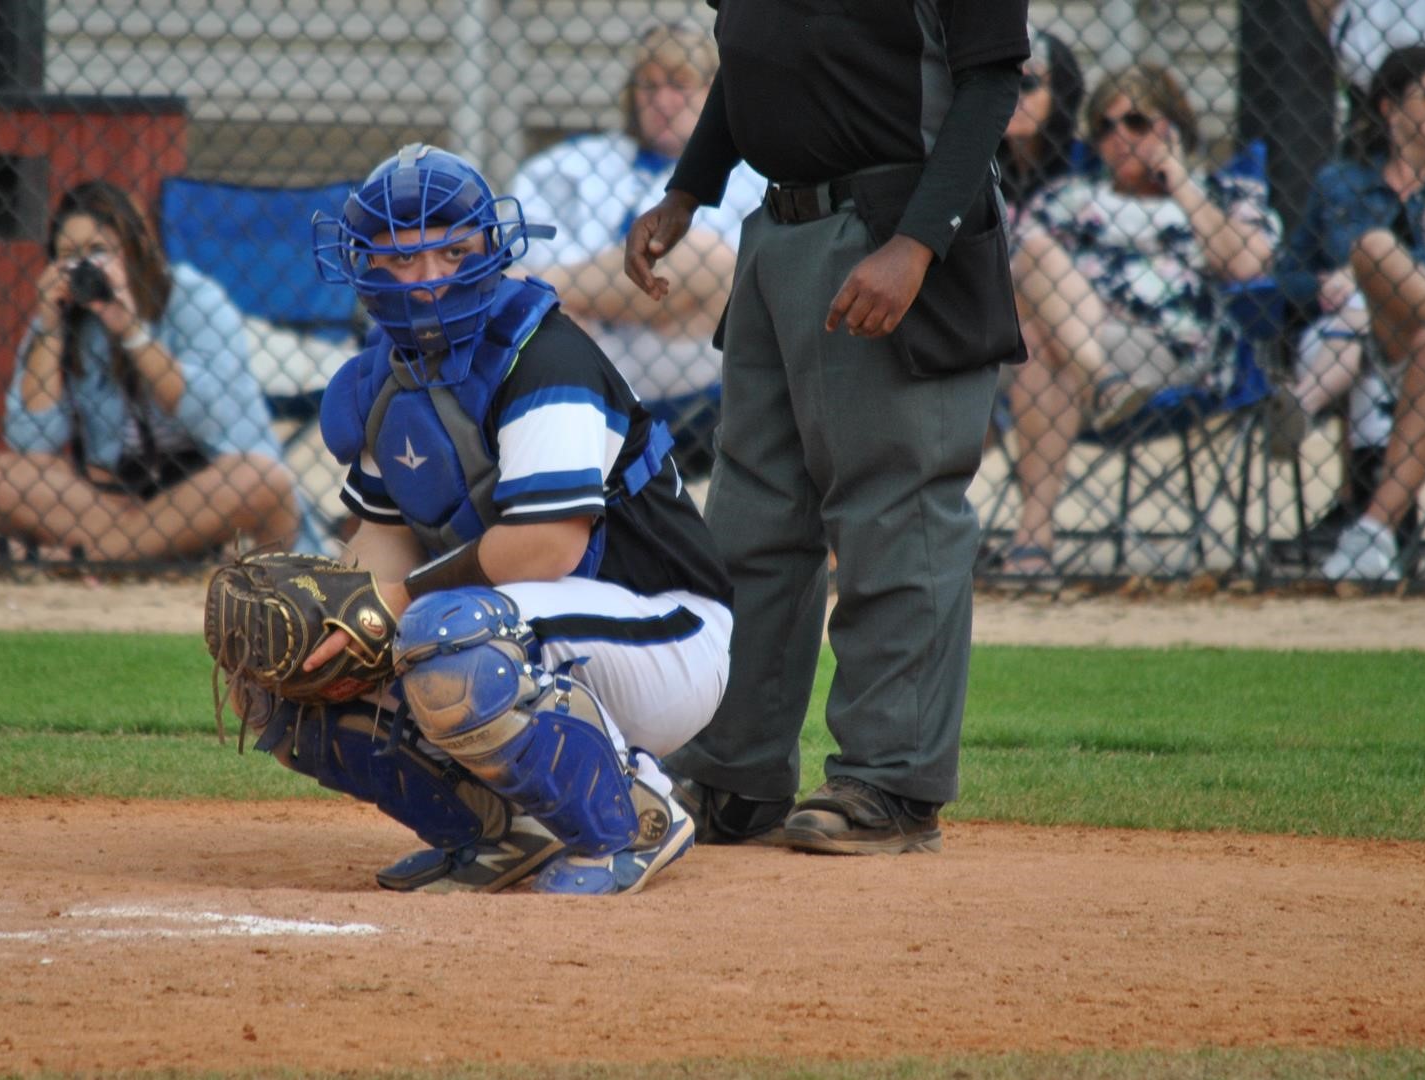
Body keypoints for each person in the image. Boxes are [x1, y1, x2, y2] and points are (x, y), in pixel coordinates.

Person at [254, 144, 732, 896]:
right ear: (364, 268)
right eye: (400, 260)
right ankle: (502, 832)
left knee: (449, 632)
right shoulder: (390, 375)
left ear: (490, 250)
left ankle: (634, 812)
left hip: (666, 635)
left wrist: (397, 604)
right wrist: (340, 623)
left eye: (450, 252)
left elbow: (547, 543)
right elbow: (384, 541)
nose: (427, 280)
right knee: (294, 679)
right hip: (536, 632)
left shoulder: (543, 358)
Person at [624, 3, 1030, 853]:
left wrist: (917, 244)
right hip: (778, 232)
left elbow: (990, 82)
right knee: (752, 518)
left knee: (894, 509)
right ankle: (734, 770)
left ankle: (893, 779)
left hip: (895, 225)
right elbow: (758, 62)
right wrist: (688, 189)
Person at [998, 63, 1281, 579]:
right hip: (1078, 352)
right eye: (1105, 127)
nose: (1119, 138)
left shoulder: (1223, 194)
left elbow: (1246, 263)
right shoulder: (1070, 197)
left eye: (1135, 121)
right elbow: (1014, 270)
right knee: (1034, 268)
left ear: (1172, 125)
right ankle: (1099, 380)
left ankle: (1033, 537)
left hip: (1171, 350)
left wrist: (1179, 182)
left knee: (1040, 335)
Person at [0, 179, 311, 562]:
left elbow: (211, 420)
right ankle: (149, 555)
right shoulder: (60, 316)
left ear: (135, 249)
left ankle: (87, 555)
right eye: (69, 255)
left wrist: (131, 331)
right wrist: (49, 331)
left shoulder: (194, 298)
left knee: (265, 481)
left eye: (98, 252)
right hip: (119, 501)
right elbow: (31, 443)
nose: (84, 267)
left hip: (201, 491)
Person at [507, 20, 767, 477]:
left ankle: (557, 293)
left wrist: (573, 289)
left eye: (680, 85)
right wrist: (661, 302)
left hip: (699, 364)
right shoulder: (571, 164)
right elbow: (519, 255)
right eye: (650, 86)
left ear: (714, 92)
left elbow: (729, 281)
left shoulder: (755, 170)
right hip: (590, 349)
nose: (663, 101)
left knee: (713, 260)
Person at [1269, 45, 1425, 566]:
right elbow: (1286, 277)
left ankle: (1369, 536)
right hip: (1371, 331)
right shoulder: (1340, 182)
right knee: (1372, 250)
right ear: (1389, 107)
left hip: (1417, 341)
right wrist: (1326, 282)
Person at [997, 24, 1083, 223]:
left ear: (1060, 91)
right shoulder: (986, 167)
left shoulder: (1084, 164)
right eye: (1004, 83)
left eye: (1028, 84)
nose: (1014, 97)